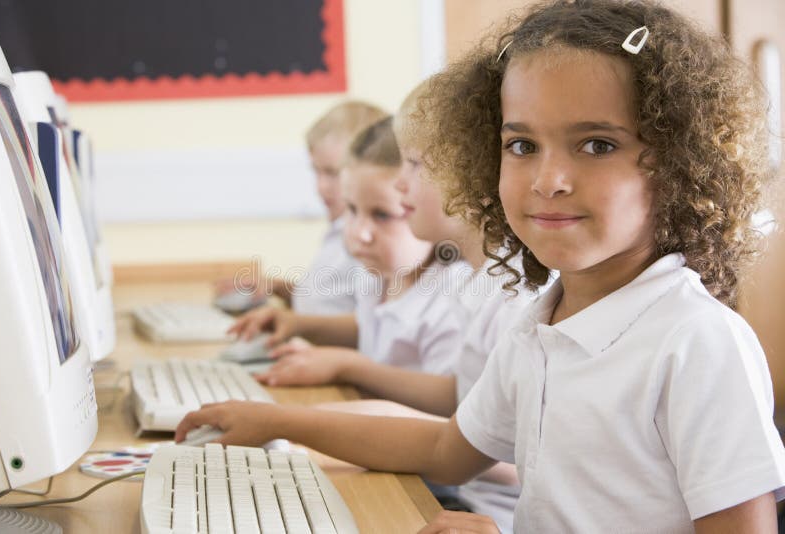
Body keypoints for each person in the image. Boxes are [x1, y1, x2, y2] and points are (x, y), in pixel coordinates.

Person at [178, 1, 785, 531]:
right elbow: (447, 449)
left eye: (597, 144)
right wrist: (274, 422)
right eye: (522, 145)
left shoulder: (697, 342)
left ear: (678, 165)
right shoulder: (537, 322)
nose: (549, 180)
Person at [253, 82, 527, 531]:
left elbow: (465, 444)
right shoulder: (479, 285)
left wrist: (331, 388)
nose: (402, 183)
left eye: (415, 165)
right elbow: (462, 402)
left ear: (474, 174)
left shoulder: (507, 296)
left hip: (479, 505)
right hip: (462, 494)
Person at [230, 116, 469, 375]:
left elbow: (448, 402)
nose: (359, 233)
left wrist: (346, 366)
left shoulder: (452, 297)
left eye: (382, 215)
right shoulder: (377, 278)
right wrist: (297, 324)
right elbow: (369, 328)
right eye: (352, 210)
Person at [214, 100, 387, 315]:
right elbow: (328, 302)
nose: (320, 186)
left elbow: (368, 325)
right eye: (316, 171)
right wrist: (279, 288)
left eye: (333, 173)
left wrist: (293, 325)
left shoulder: (366, 241)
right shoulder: (338, 231)